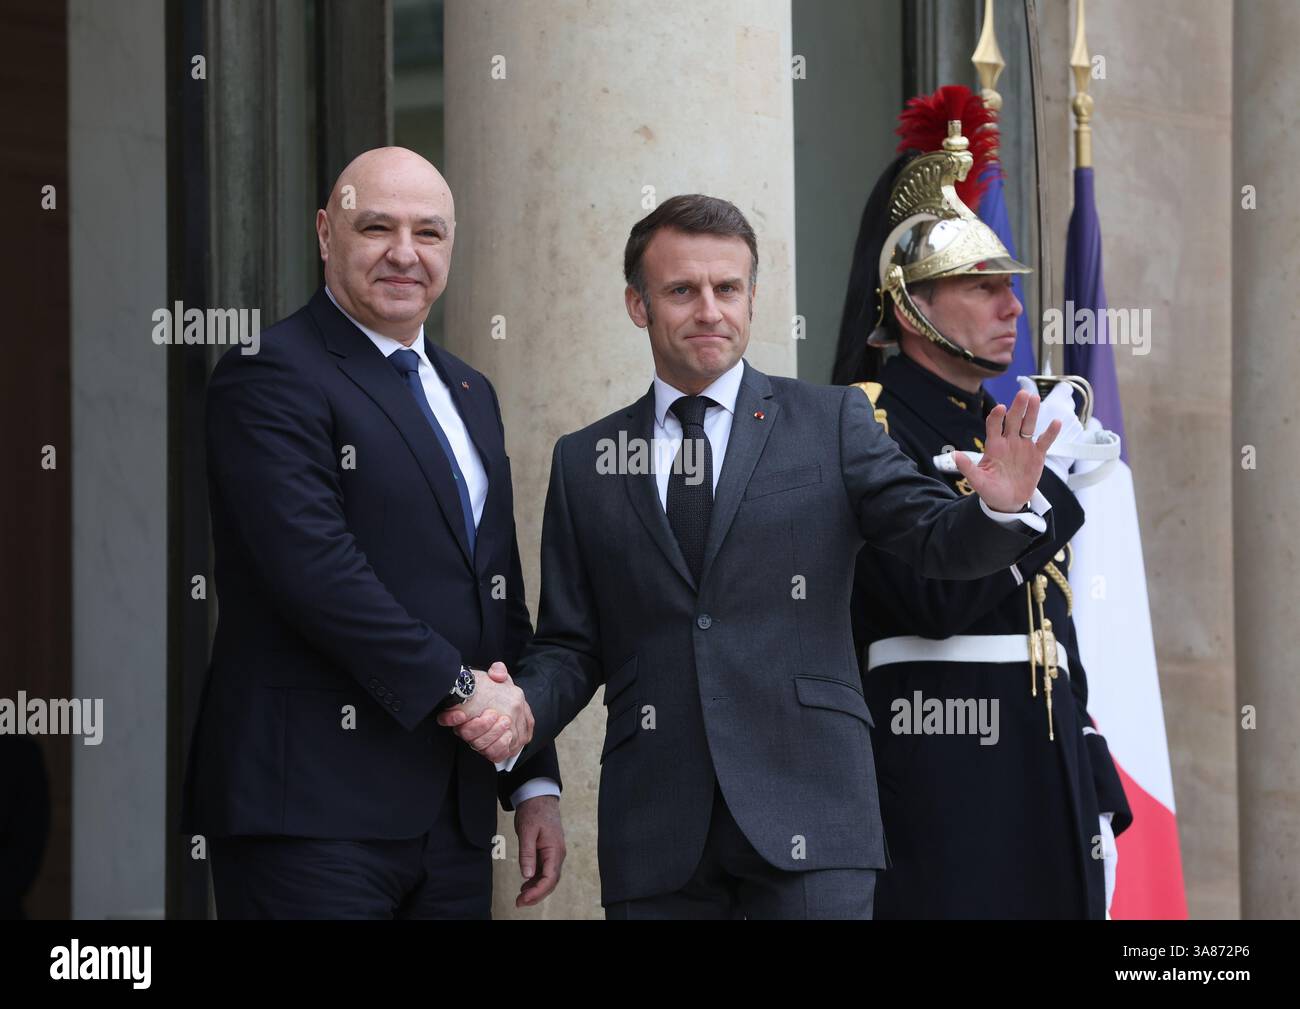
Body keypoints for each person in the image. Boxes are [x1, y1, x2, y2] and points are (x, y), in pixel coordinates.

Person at [443, 181, 1062, 919]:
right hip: (658, 827)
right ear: (639, 304)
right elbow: (573, 644)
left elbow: (929, 539)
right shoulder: (588, 459)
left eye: (727, 288)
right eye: (682, 290)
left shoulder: (832, 422)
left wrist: (998, 508)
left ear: (751, 297)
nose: (709, 309)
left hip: (813, 811)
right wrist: (520, 709)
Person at [182, 147, 563, 919]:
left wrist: (530, 776)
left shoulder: (470, 391)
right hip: (310, 813)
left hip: (450, 822)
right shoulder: (270, 373)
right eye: (376, 227)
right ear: (327, 233)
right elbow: (317, 575)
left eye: (428, 233)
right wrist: (465, 692)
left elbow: (496, 595)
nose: (404, 253)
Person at [833, 86, 1132, 919]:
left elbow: (1049, 623)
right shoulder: (865, 421)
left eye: (1010, 282)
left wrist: (1089, 758)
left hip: (1046, 765)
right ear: (910, 305)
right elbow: (931, 599)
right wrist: (1021, 510)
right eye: (980, 284)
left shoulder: (1001, 423)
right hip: (939, 764)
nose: (1014, 307)